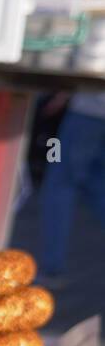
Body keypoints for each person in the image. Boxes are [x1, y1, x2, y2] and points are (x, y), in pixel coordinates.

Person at [37, 90, 105, 284]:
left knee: (60, 185)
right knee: (96, 186)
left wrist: (62, 95)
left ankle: (52, 268)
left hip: (88, 111)